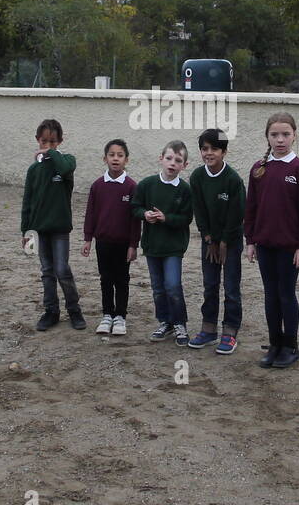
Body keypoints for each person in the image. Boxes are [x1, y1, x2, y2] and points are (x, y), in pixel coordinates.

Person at [245, 112, 299, 369]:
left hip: (289, 248)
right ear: (267, 137)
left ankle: (290, 345)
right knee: (270, 295)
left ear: (294, 135)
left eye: (285, 134)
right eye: (274, 134)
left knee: (286, 295)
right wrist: (250, 240)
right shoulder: (258, 169)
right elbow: (251, 207)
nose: (280, 139)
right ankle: (274, 343)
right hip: (265, 245)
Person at [22, 119, 84, 331]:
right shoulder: (33, 170)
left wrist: (50, 153)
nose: (47, 145)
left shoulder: (67, 161)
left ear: (60, 142)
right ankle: (51, 311)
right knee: (47, 271)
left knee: (62, 269)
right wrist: (26, 231)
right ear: (37, 140)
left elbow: (65, 168)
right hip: (39, 229)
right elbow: (27, 202)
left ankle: (74, 309)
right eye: (44, 141)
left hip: (60, 229)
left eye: (53, 142)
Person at [188, 128, 245, 354]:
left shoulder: (233, 179)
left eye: (214, 149)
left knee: (231, 287)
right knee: (210, 285)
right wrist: (208, 237)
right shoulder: (197, 177)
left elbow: (237, 213)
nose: (208, 153)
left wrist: (223, 241)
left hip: (230, 241)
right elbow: (199, 211)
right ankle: (208, 329)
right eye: (204, 149)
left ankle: (230, 332)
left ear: (224, 152)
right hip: (210, 241)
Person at [132, 140, 193, 345]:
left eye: (178, 160)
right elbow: (135, 207)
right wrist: (145, 214)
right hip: (152, 245)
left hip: (174, 247)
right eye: (169, 158)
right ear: (161, 159)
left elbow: (186, 218)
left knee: (173, 285)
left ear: (184, 165)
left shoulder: (185, 190)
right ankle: (165, 321)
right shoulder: (147, 185)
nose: (172, 163)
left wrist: (167, 218)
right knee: (158, 287)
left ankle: (180, 323)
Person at [81, 139, 140, 336]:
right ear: (104, 158)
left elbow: (135, 219)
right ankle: (107, 315)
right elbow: (91, 213)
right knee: (106, 279)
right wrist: (88, 238)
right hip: (103, 242)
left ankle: (120, 316)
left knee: (122, 279)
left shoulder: (132, 186)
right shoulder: (97, 186)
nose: (116, 159)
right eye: (112, 155)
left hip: (123, 244)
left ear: (127, 160)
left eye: (120, 155)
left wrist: (133, 244)